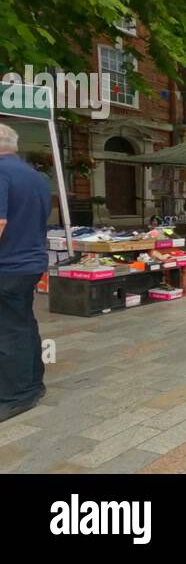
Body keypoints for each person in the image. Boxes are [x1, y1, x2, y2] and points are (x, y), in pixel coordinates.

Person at [0, 124, 51, 422]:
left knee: (8, 330)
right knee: (22, 324)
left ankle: (17, 395)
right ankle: (32, 384)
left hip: (7, 265)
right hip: (29, 262)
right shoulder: (37, 176)